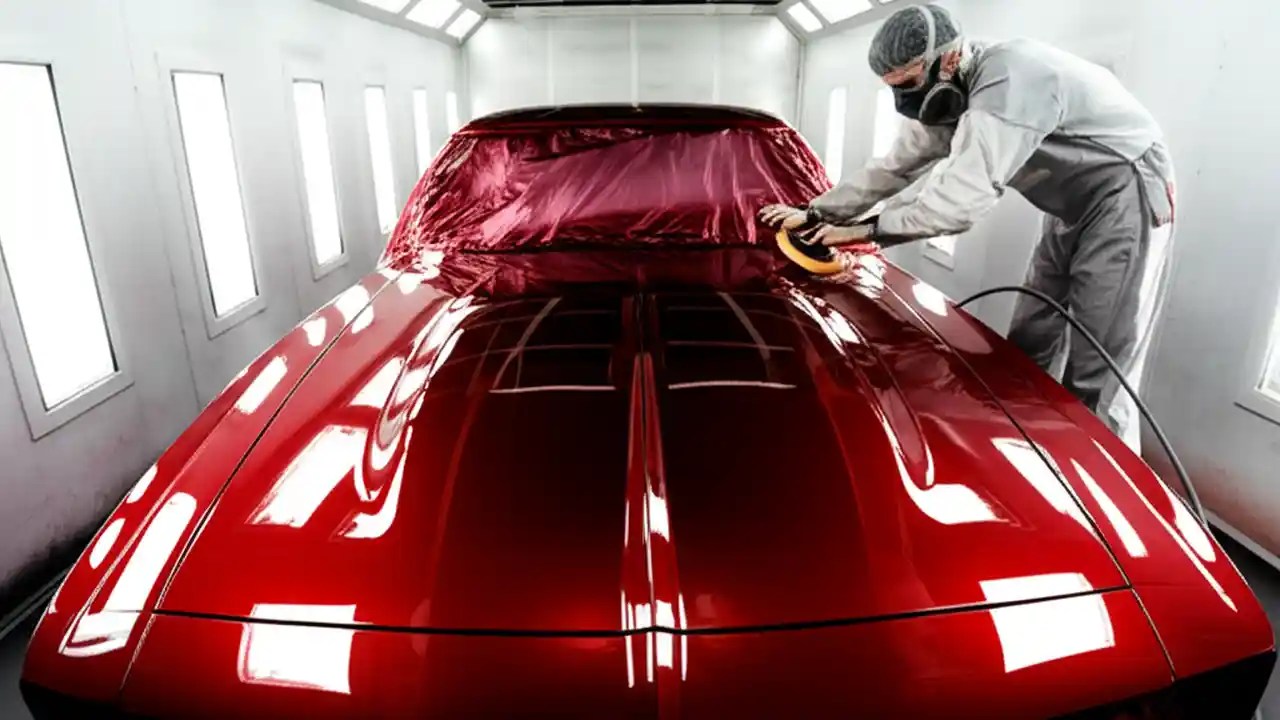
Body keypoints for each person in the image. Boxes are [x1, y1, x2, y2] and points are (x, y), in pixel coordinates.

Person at [760, 3, 1175, 451]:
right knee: (1034, 331)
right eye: (893, 90)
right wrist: (820, 212)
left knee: (1099, 359)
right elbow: (894, 168)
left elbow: (957, 205)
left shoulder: (1008, 82)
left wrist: (866, 231)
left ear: (949, 58)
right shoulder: (948, 91)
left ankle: (1105, 480)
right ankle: (1024, 447)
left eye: (909, 84)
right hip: (1069, 205)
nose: (905, 102)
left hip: (1125, 190)